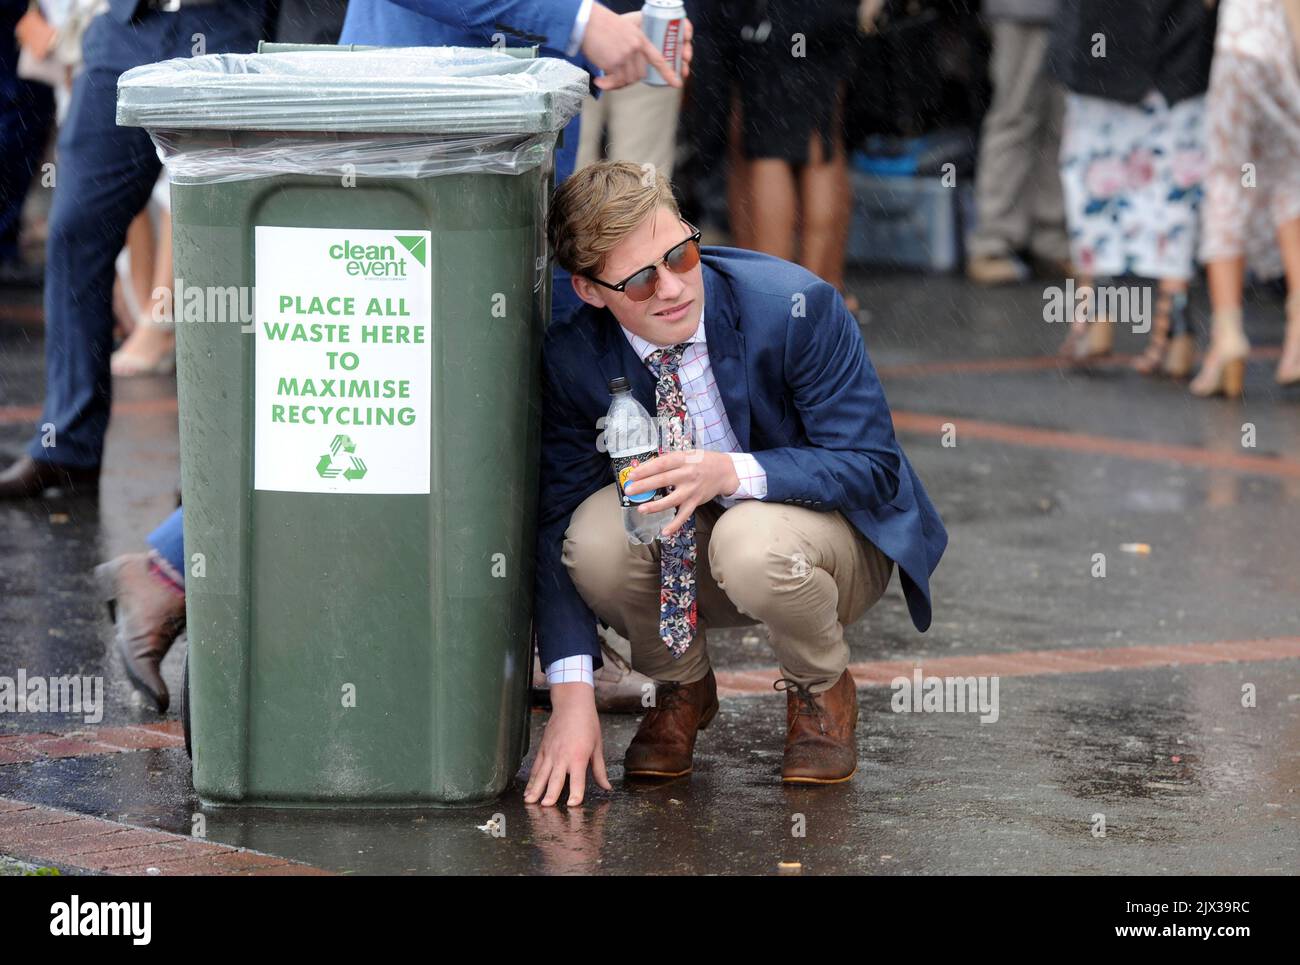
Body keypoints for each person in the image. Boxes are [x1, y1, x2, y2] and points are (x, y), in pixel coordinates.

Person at [93, 2, 695, 713]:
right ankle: (170, 570)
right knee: (402, 389)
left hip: (475, 119)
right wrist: (576, 19)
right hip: (424, 119)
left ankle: (536, 634)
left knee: (453, 389)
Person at [524, 160, 946, 806]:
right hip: (685, 554)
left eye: (680, 254)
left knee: (749, 540)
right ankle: (683, 685)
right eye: (639, 280)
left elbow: (871, 464)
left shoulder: (793, 308)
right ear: (589, 291)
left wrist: (730, 472)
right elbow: (554, 517)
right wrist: (571, 698)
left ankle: (819, 686)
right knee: (592, 540)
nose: (670, 287)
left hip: (827, 543)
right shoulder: (573, 351)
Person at [0, 0, 265, 499]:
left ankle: (217, 475)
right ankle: (67, 448)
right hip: (125, 27)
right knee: (75, 230)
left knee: (220, 243)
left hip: (229, 26)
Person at [1050, 0, 1216, 373]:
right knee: (1176, 180)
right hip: (1179, 39)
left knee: (1095, 172)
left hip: (1102, 34)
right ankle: (1174, 328)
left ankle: (1095, 313)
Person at [1191, 0, 1300, 397]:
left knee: (1225, 183)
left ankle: (1228, 335)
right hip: (1281, 51)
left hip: (1238, 49)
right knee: (1289, 177)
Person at [966, 0, 1070, 286]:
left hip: (1070, 11)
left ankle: (1050, 239)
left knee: (1060, 123)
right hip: (1022, 9)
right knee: (1014, 117)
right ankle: (992, 242)